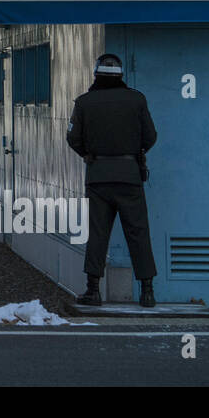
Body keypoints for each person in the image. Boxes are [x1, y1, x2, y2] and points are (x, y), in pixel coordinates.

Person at [66, 53, 159, 308]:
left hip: (98, 176)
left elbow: (73, 138)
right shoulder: (136, 100)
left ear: (96, 75)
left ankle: (93, 290)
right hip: (129, 176)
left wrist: (89, 153)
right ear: (120, 76)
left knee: (98, 233)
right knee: (138, 232)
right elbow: (150, 136)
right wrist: (133, 153)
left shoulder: (84, 103)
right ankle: (147, 291)